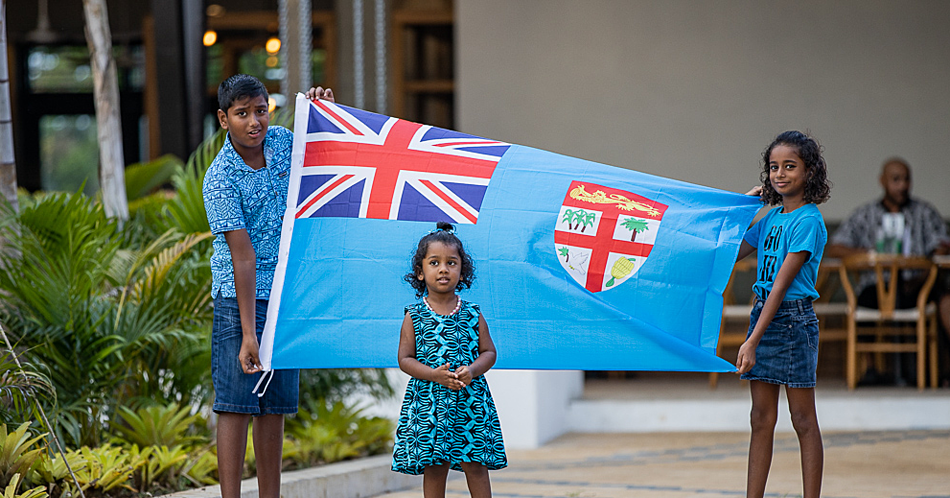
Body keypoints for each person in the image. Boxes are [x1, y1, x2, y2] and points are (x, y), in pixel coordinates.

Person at [202, 74, 333, 498]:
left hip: (285, 297)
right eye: (242, 114)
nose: (254, 122)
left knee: (274, 406)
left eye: (260, 110)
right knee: (236, 403)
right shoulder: (220, 179)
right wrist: (248, 334)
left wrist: (326, 110)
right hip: (240, 298)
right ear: (225, 119)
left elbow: (327, 153)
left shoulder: (280, 142)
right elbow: (243, 257)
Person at [735, 131, 831, 498]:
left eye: (790, 166)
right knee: (760, 419)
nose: (780, 174)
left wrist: (752, 340)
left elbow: (779, 286)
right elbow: (732, 253)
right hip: (763, 315)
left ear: (809, 172)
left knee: (803, 420)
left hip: (792, 322)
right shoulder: (771, 218)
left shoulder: (808, 221)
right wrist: (741, 209)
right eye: (774, 167)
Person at [392, 221, 507, 498]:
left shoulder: (472, 312)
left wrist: (473, 370)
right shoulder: (414, 314)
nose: (443, 269)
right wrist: (434, 375)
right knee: (435, 466)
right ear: (420, 272)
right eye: (434, 263)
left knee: (475, 465)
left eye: (451, 263)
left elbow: (489, 352)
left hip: (470, 402)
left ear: (462, 271)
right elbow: (404, 359)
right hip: (430, 403)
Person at [826, 158, 950, 384]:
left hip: (919, 284)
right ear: (883, 181)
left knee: (945, 300)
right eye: (895, 179)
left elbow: (942, 244)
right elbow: (835, 247)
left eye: (906, 179)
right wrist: (867, 253)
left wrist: (927, 262)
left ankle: (940, 371)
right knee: (863, 298)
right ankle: (871, 368)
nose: (902, 185)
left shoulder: (924, 212)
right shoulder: (865, 214)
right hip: (877, 284)